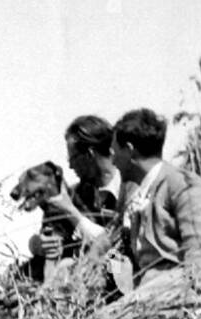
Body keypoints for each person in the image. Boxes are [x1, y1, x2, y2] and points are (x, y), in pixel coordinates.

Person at [45, 107, 201, 306]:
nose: (111, 159)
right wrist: (87, 265)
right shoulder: (137, 190)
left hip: (175, 288)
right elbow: (112, 235)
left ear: (129, 150)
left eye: (114, 152)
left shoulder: (183, 186)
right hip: (145, 290)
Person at [26, 114, 126, 287]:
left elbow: (112, 243)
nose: (71, 167)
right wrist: (39, 244)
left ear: (90, 154)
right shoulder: (74, 193)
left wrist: (70, 210)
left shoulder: (128, 190)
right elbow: (48, 235)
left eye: (73, 159)